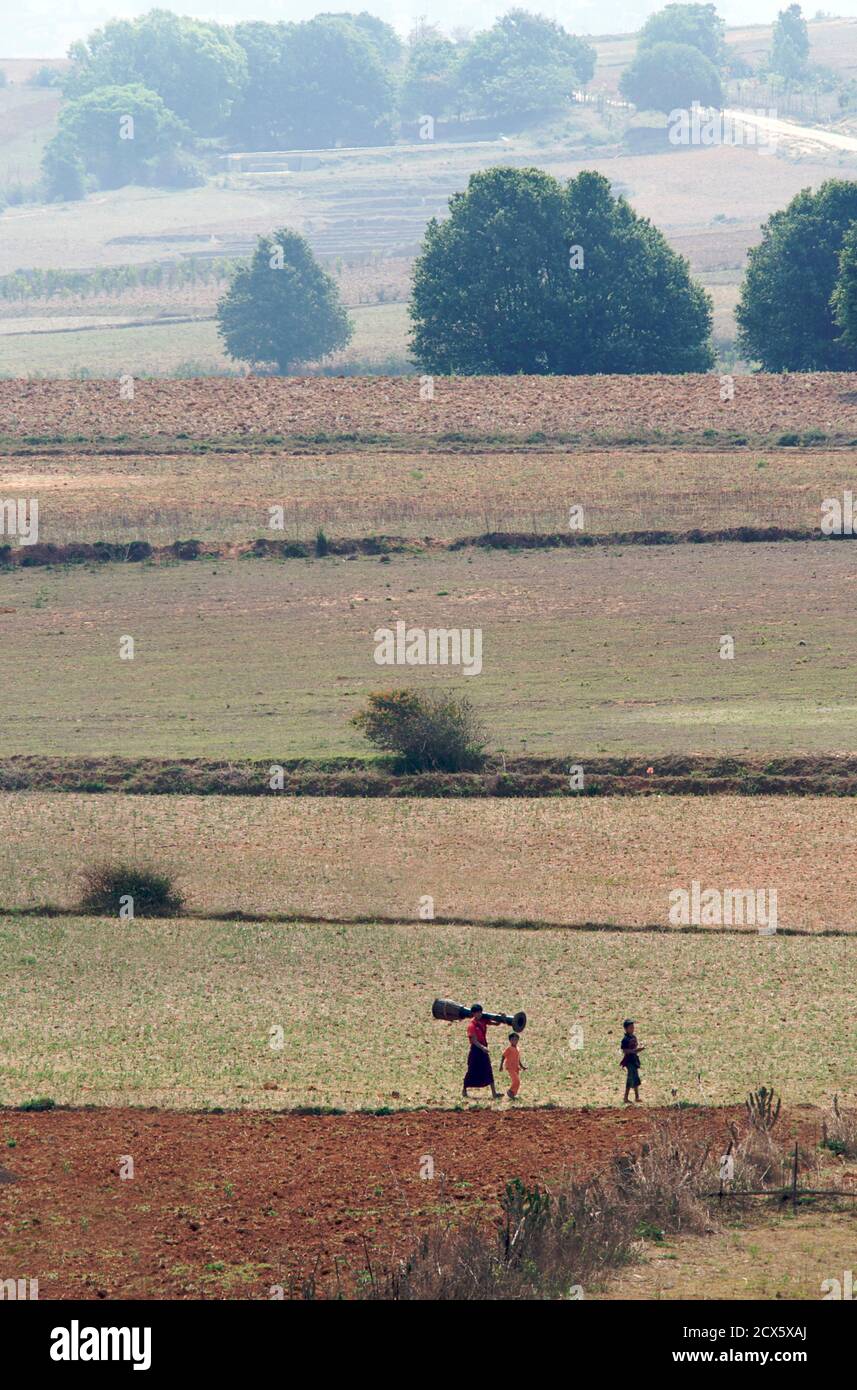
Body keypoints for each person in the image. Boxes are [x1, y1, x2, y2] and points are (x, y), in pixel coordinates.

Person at [462, 1004, 504, 1100]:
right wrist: (482, 1048)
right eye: (477, 1012)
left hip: (483, 1049)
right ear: (473, 1013)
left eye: (480, 1012)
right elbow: (474, 1040)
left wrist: (501, 1017)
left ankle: (494, 1093)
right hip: (476, 1050)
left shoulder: (483, 1020)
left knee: (488, 1070)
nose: (479, 1014)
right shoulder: (471, 1025)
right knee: (472, 1070)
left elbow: (496, 1023)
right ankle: (464, 1090)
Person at [620, 1018, 644, 1104]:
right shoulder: (625, 1039)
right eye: (630, 1027)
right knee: (630, 1079)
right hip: (629, 1061)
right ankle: (625, 1098)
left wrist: (639, 1049)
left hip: (634, 1060)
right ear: (626, 1029)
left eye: (633, 1027)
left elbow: (635, 1048)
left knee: (636, 1078)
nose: (632, 1029)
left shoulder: (634, 1037)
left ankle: (637, 1097)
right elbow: (625, 1050)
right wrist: (634, 1051)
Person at [500, 1031, 525, 1099]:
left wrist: (522, 1066)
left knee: (518, 1082)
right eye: (513, 1039)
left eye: (516, 1039)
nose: (515, 1041)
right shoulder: (509, 1049)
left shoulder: (517, 1048)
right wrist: (501, 1066)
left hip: (516, 1067)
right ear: (510, 1040)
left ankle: (513, 1093)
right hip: (510, 1067)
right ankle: (510, 1091)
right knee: (516, 1081)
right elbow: (503, 1056)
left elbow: (518, 1058)